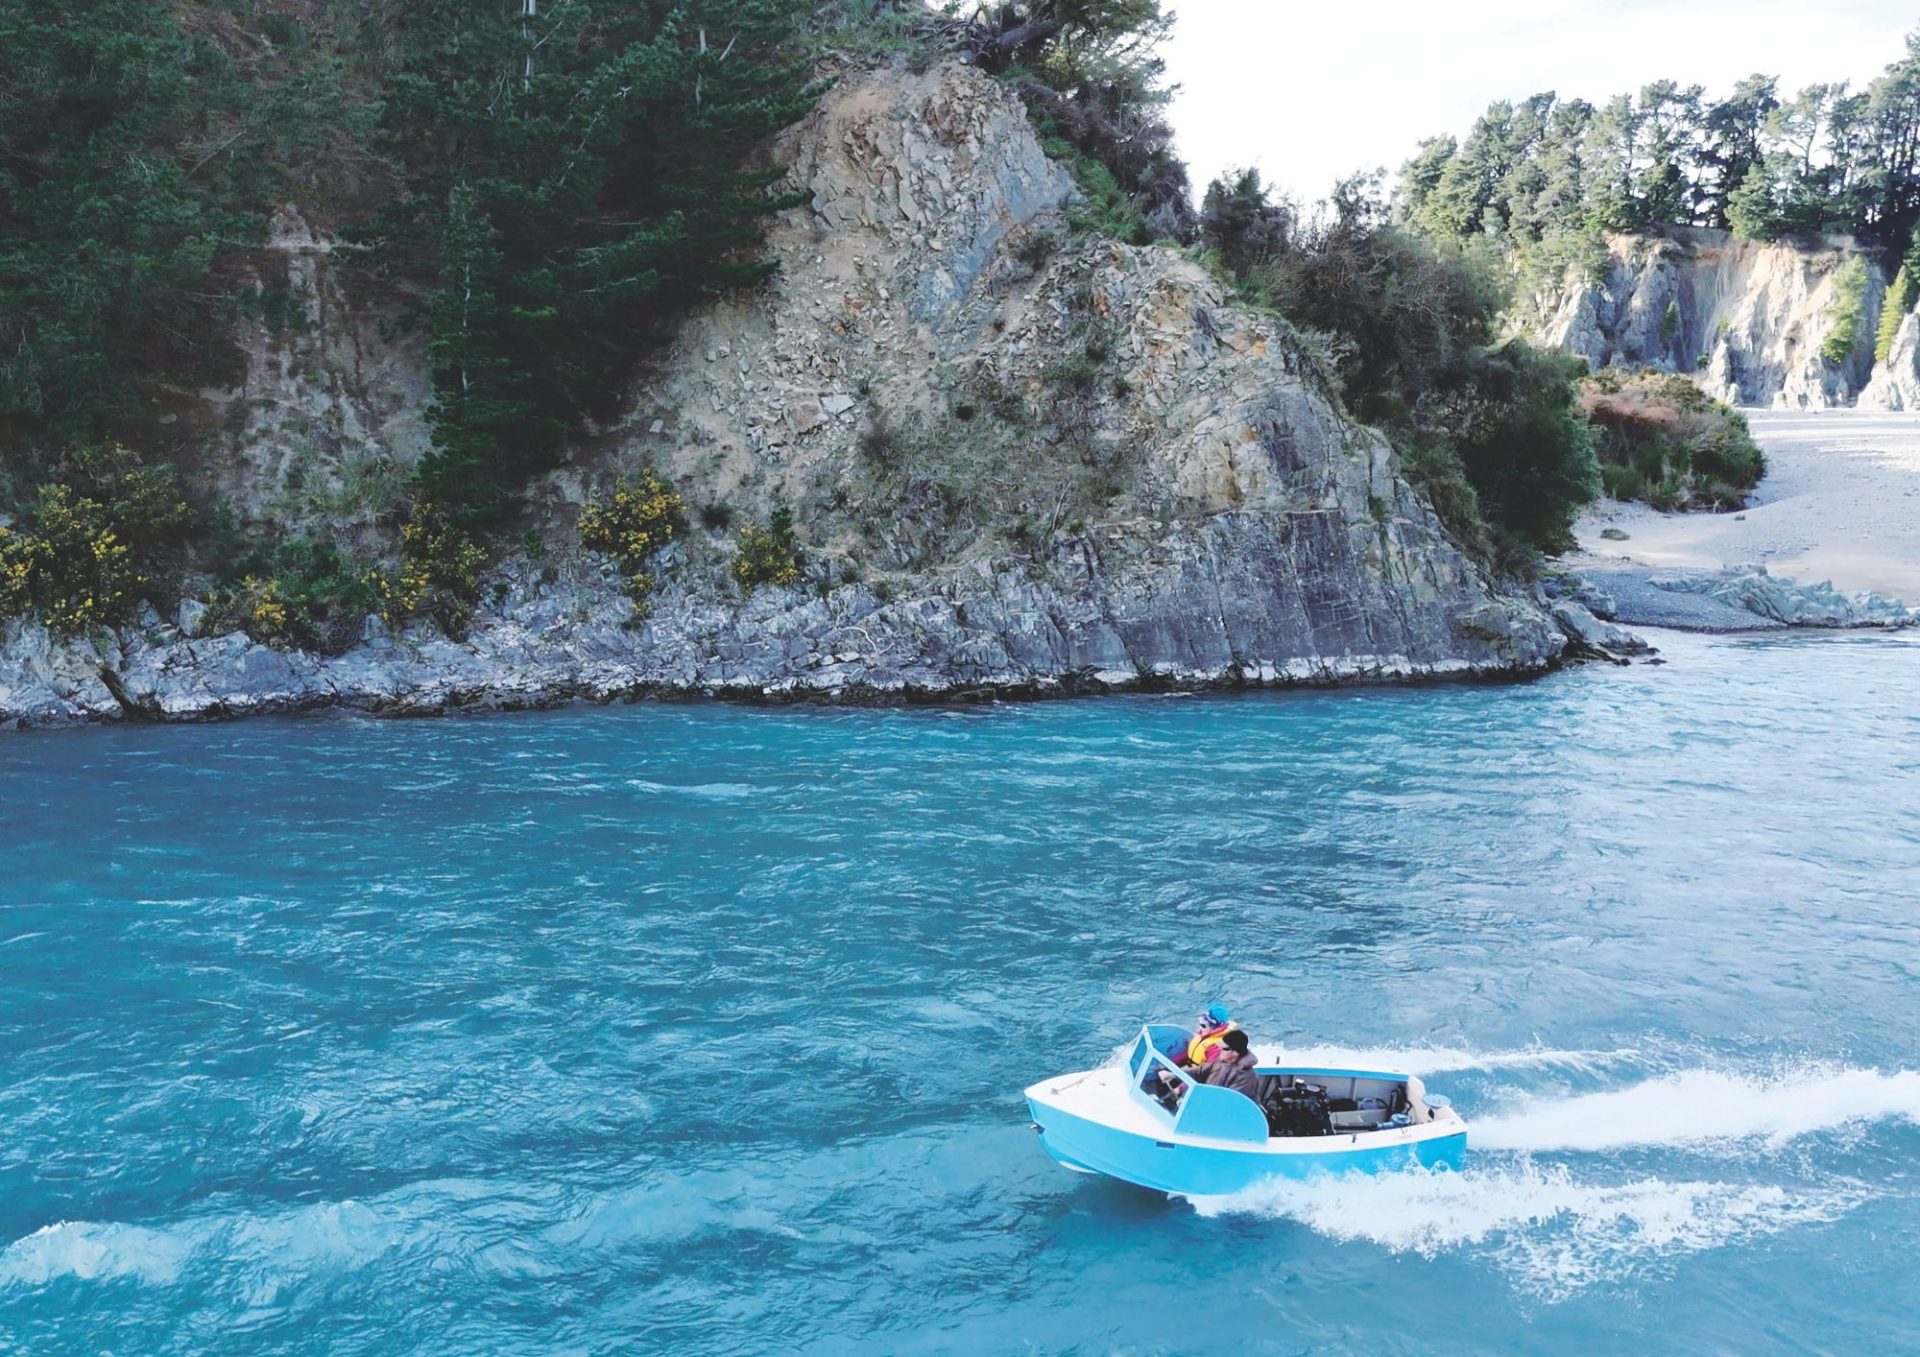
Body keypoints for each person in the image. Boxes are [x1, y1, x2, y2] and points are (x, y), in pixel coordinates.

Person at [1182, 1003, 1239, 1067]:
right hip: (1191, 1065)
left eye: (1203, 1026)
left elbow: (1212, 1069)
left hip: (1200, 1073)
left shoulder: (1216, 1047)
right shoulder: (1205, 1034)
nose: (1200, 1029)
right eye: (1200, 1024)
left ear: (1214, 1028)